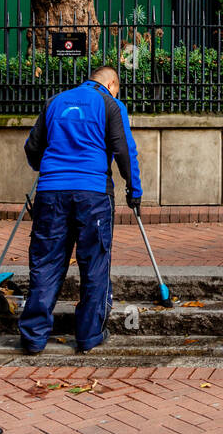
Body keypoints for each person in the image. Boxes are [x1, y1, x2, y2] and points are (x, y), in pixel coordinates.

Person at [18, 65, 142, 355]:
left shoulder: (55, 101)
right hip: (93, 195)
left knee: (46, 263)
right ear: (111, 84)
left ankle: (34, 337)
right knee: (94, 264)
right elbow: (124, 150)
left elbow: (32, 147)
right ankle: (88, 335)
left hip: (51, 193)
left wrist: (45, 169)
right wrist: (133, 191)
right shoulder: (111, 104)